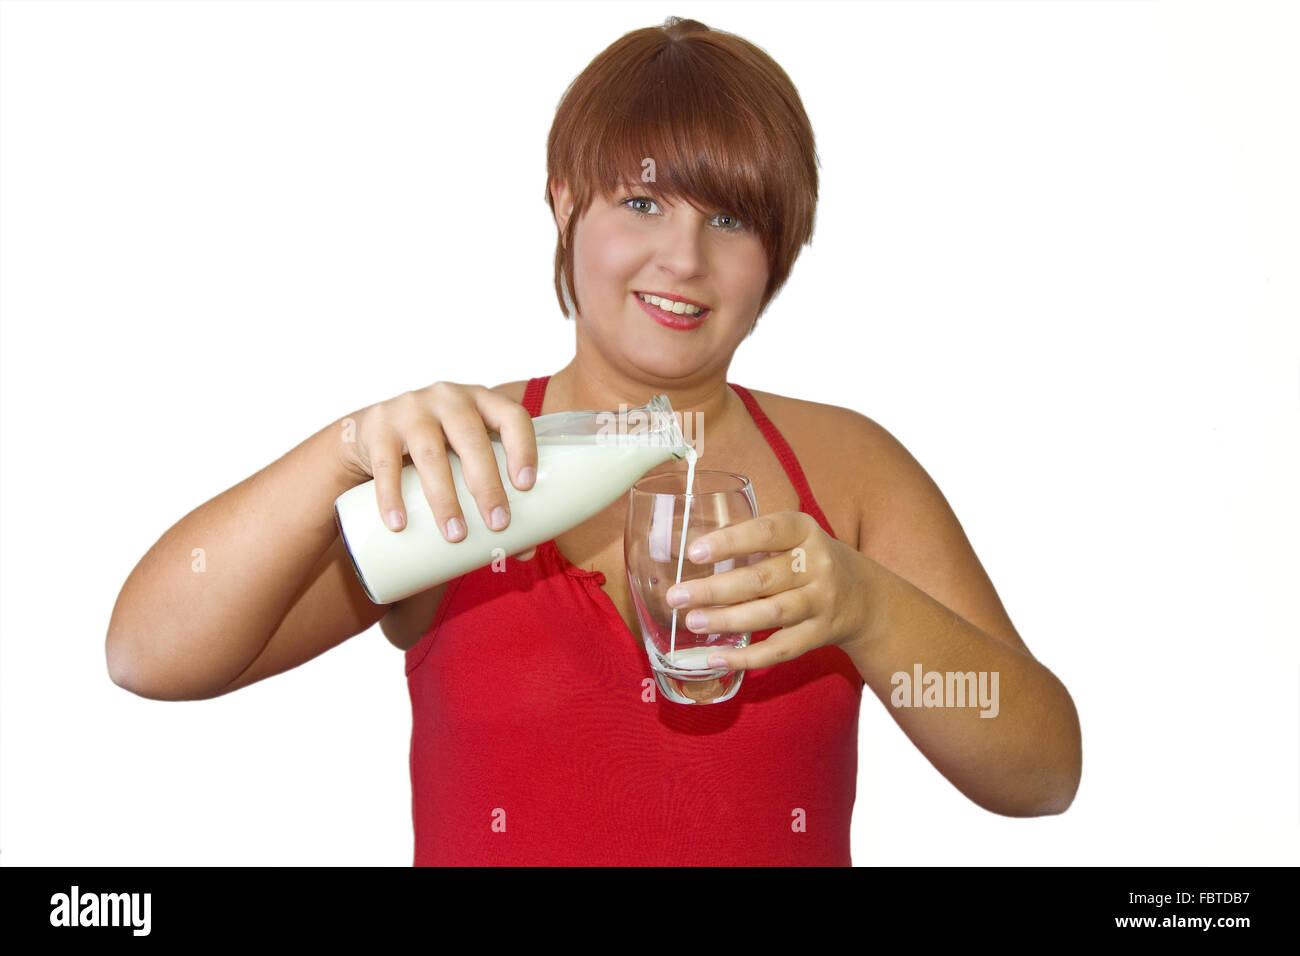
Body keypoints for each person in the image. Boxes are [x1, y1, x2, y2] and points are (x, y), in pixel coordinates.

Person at [106, 16, 1081, 866]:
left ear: (777, 253)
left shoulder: (850, 469)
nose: (683, 259)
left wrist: (866, 606)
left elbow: (1042, 773)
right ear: (564, 201)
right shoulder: (461, 458)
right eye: (643, 202)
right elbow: (148, 653)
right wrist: (344, 448)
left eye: (731, 217)